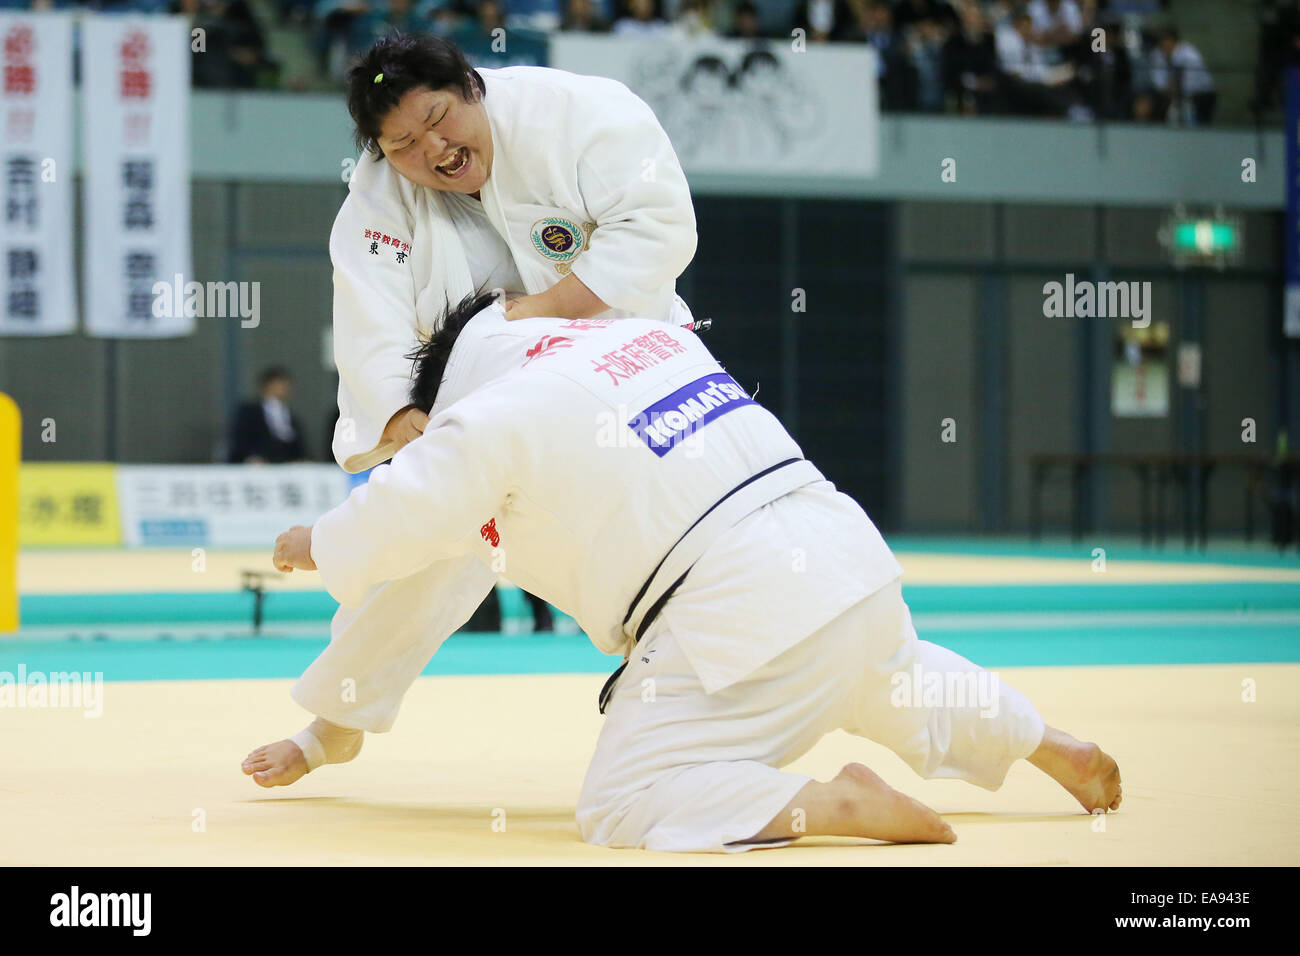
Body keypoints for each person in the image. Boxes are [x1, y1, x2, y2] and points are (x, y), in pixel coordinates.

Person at [243, 292, 1123, 852]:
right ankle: (1050, 744)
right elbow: (419, 553)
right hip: (847, 557)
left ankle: (825, 804)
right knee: (894, 678)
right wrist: (326, 732)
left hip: (736, 611)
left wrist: (312, 542)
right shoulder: (651, 339)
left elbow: (395, 526)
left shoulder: (485, 421)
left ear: (439, 400)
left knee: (623, 803)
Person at [329, 33, 697, 473]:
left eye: (438, 118)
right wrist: (398, 412)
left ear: (470, 85)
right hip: (493, 420)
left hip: (642, 374)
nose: (432, 147)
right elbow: (370, 312)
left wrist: (545, 309)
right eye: (403, 145)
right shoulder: (379, 196)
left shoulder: (575, 111)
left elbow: (659, 224)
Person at [227, 366, 306, 464]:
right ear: (267, 385)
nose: (284, 388)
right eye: (280, 384)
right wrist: (250, 457)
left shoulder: (290, 415)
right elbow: (240, 439)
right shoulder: (250, 412)